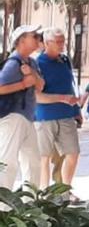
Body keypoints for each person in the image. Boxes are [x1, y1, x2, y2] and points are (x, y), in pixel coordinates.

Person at [34, 28, 83, 190]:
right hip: (44, 115)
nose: (62, 45)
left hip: (66, 114)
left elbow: (70, 86)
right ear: (47, 43)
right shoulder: (37, 64)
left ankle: (65, 190)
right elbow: (36, 94)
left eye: (63, 41)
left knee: (73, 153)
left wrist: (76, 110)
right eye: (58, 42)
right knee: (44, 157)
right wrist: (62, 99)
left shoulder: (65, 60)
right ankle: (43, 191)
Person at [0, 25, 44, 190]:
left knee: (33, 162)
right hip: (12, 117)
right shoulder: (13, 63)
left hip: (26, 117)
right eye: (34, 35)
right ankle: (3, 207)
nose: (38, 38)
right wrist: (23, 84)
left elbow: (40, 86)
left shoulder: (31, 62)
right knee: (8, 162)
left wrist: (31, 74)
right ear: (22, 40)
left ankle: (30, 204)